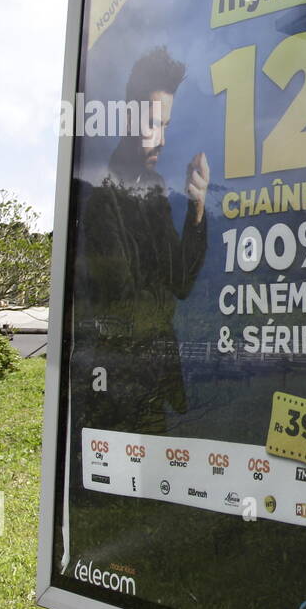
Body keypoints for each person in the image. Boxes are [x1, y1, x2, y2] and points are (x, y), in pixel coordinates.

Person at [76, 46, 210, 434]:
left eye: (166, 124)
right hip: (118, 386)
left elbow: (180, 282)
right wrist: (159, 293)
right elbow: (126, 308)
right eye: (153, 123)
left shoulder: (153, 188)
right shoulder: (101, 196)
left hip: (155, 378)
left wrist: (197, 205)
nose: (161, 138)